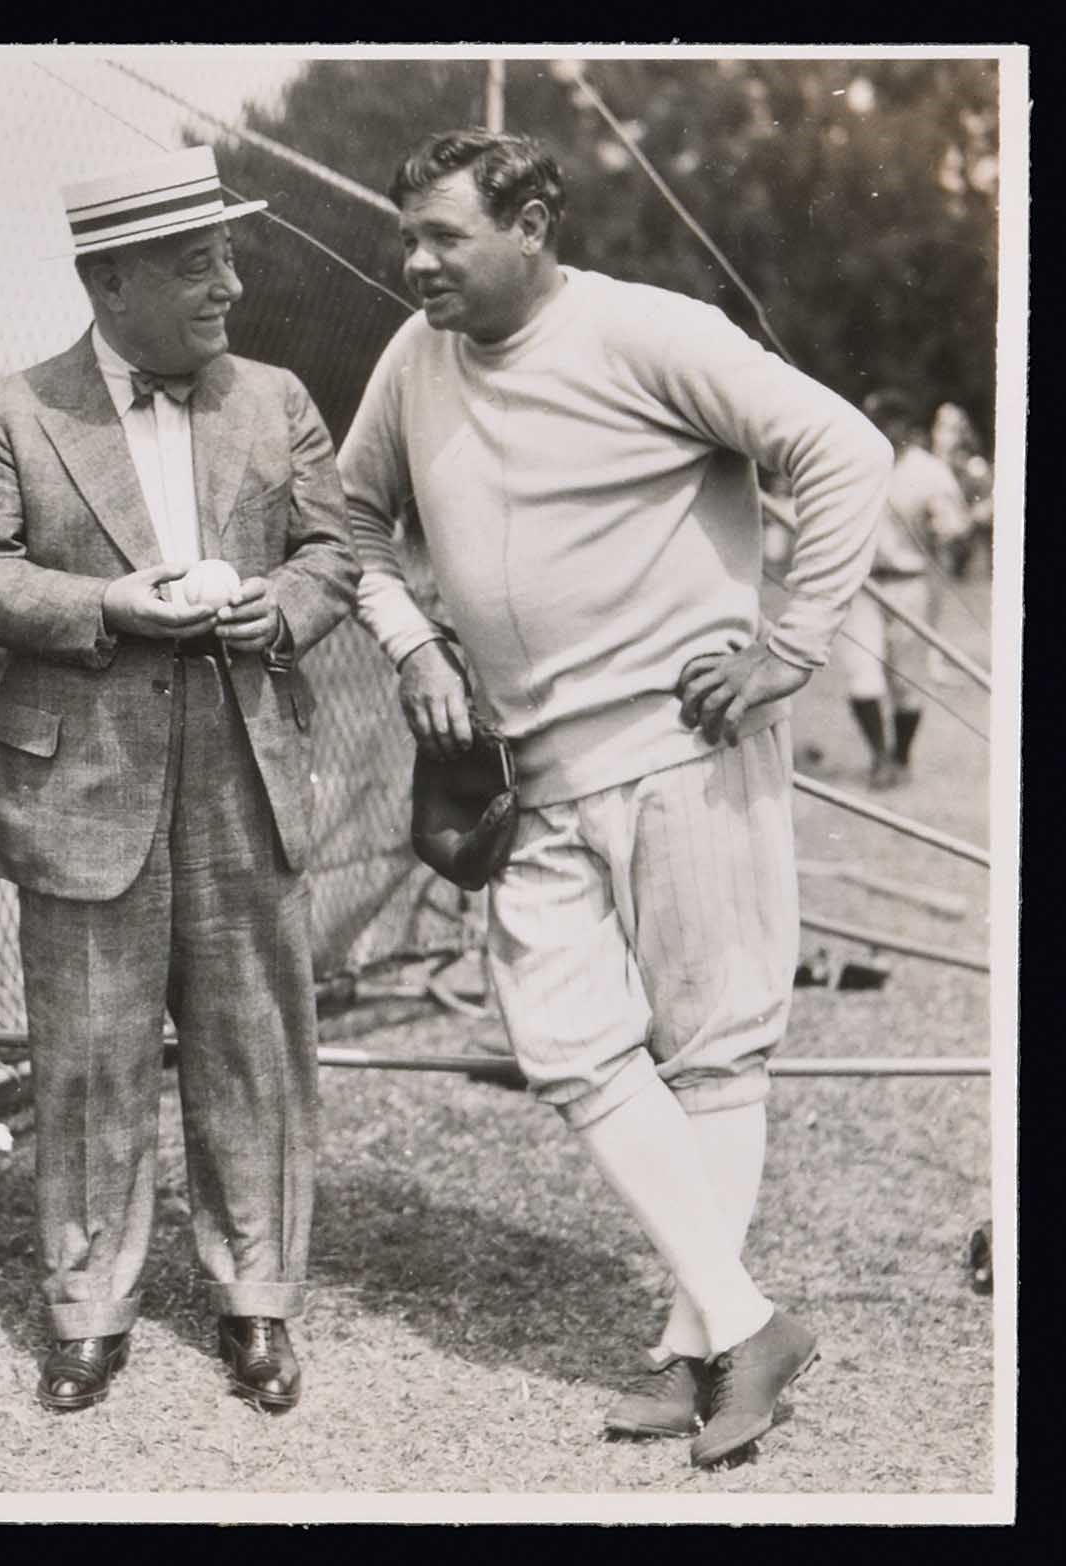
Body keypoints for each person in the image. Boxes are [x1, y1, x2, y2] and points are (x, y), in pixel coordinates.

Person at [338, 129, 891, 1469]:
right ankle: (749, 1320)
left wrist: (789, 644)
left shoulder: (650, 329)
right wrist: (412, 640)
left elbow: (846, 453)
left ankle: (696, 1345)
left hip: (685, 737)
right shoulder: (415, 360)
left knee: (713, 1046)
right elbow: (347, 516)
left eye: (445, 237)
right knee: (571, 1040)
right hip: (533, 763)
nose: (416, 263)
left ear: (532, 222)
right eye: (406, 237)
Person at [0, 145, 359, 1416]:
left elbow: (334, 553)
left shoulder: (276, 398)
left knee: (255, 1046)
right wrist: (107, 604)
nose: (226, 283)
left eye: (226, 255)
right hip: (84, 786)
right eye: (195, 263)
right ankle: (86, 1311)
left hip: (246, 773)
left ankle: (257, 1306)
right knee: (88, 1055)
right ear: (109, 283)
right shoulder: (8, 412)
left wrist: (277, 612)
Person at [841, 390, 969, 787]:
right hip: (862, 584)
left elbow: (956, 532)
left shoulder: (930, 471)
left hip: (910, 583)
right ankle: (879, 758)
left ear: (904, 427)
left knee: (907, 682)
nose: (876, 429)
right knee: (862, 675)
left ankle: (900, 758)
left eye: (884, 422)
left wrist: (943, 527)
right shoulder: (854, 463)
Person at [930, 400, 994, 581]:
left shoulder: (974, 467)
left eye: (951, 429)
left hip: (966, 552)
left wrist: (966, 521)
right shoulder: (929, 466)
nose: (942, 435)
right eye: (940, 426)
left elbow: (989, 504)